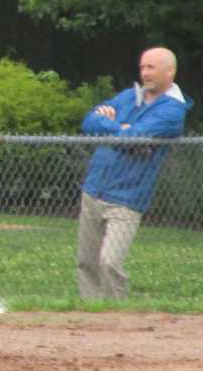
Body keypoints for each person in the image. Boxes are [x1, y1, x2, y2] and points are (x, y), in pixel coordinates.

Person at [77, 47, 191, 300]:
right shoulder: (129, 96)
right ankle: (92, 315)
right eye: (142, 67)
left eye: (151, 67)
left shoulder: (172, 111)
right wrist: (120, 128)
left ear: (169, 71)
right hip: (94, 189)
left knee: (109, 262)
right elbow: (89, 122)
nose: (144, 73)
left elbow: (134, 137)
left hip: (127, 197)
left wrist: (115, 128)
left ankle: (120, 315)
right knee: (87, 263)